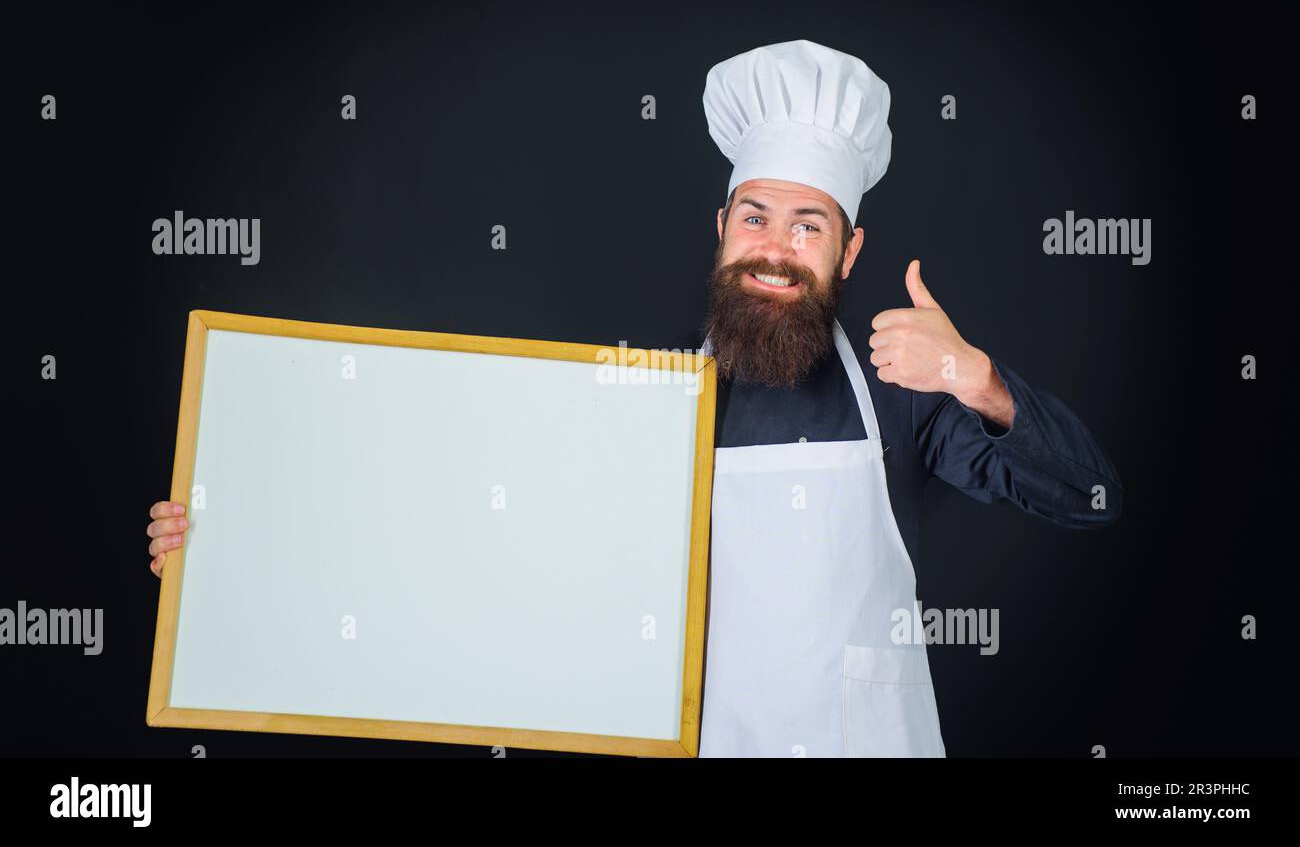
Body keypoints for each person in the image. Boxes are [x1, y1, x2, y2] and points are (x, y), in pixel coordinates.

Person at [146, 39, 1122, 757]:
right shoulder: (636, 403)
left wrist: (973, 376)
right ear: (721, 225)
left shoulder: (903, 397)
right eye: (756, 216)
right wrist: (224, 566)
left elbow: (1090, 497)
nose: (776, 249)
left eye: (808, 225)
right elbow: (448, 555)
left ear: (848, 249)